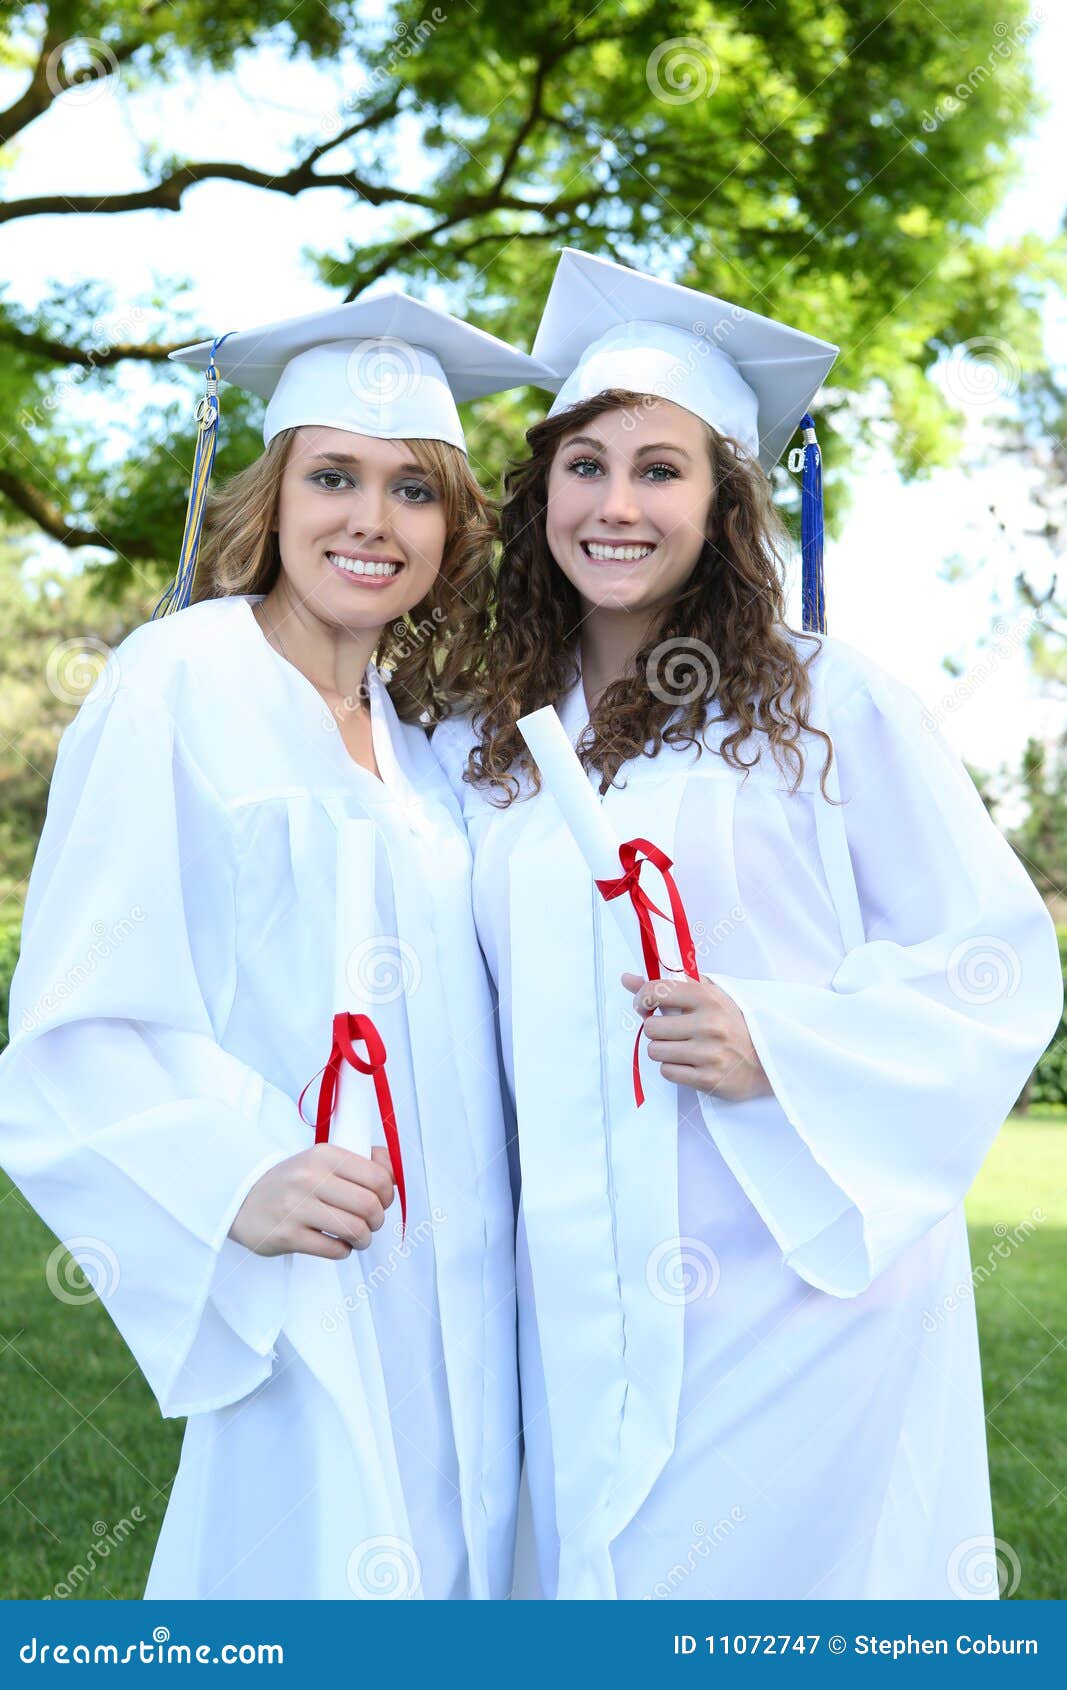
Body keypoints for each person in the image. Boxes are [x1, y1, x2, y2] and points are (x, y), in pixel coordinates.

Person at [431, 248, 1064, 1600]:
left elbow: (997, 958)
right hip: (577, 1280)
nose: (617, 503)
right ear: (544, 490)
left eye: (662, 468)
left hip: (794, 1278)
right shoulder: (488, 743)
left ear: (724, 503)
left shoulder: (831, 703)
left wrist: (777, 1035)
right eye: (587, 464)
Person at [0, 293, 550, 1599]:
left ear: (451, 527)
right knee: (305, 1565)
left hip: (469, 1275)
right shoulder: (178, 681)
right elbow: (79, 1008)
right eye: (334, 477)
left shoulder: (423, 751)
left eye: (413, 488)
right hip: (313, 1258)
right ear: (274, 497)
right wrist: (228, 1174)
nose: (371, 518)